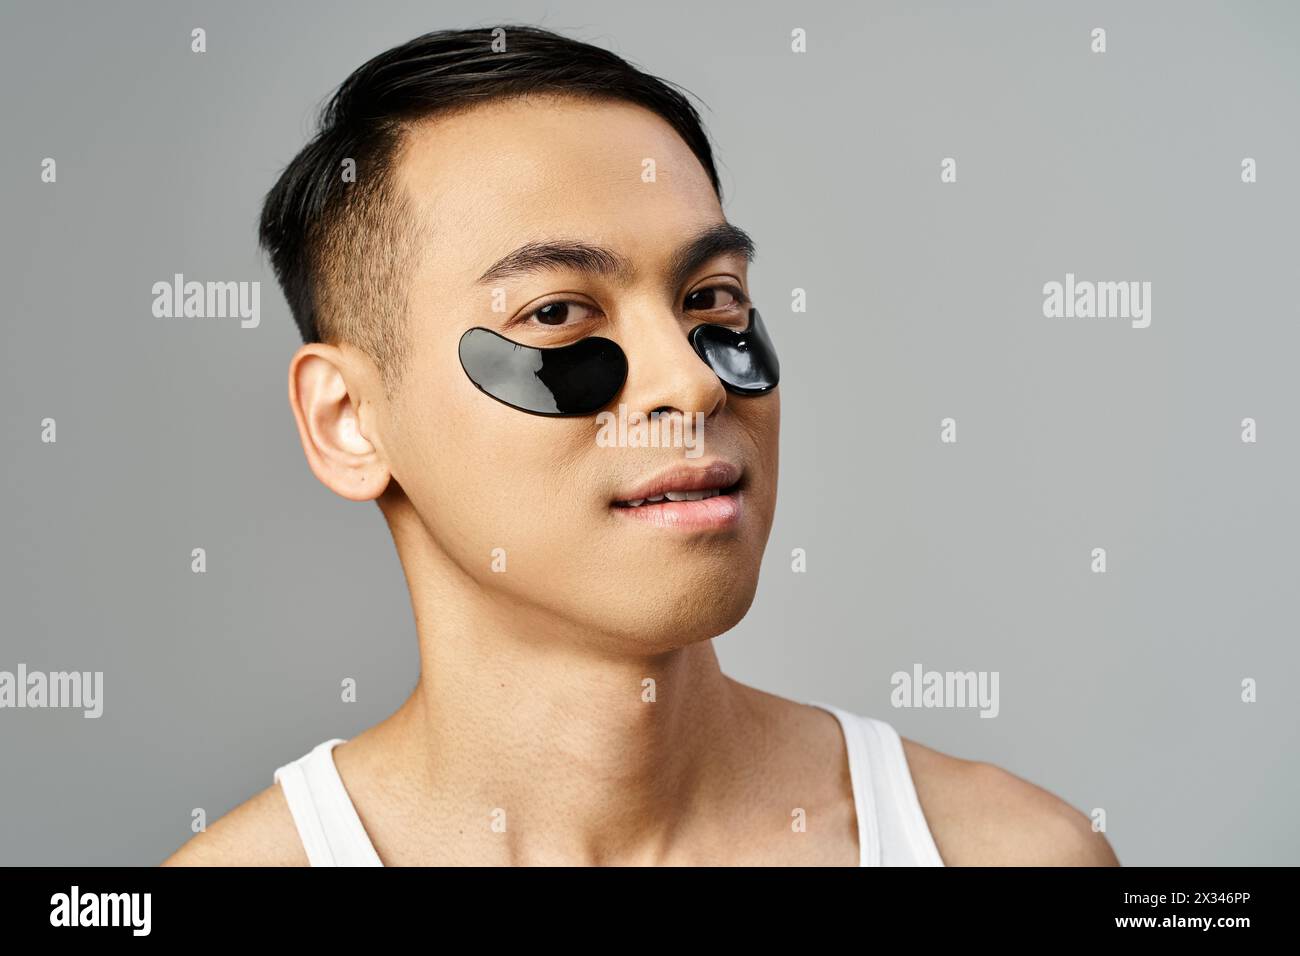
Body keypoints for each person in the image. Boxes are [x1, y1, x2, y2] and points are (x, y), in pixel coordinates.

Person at [162, 25, 1118, 866]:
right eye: (557, 312)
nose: (694, 380)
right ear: (347, 421)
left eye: (712, 298)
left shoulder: (1011, 853)